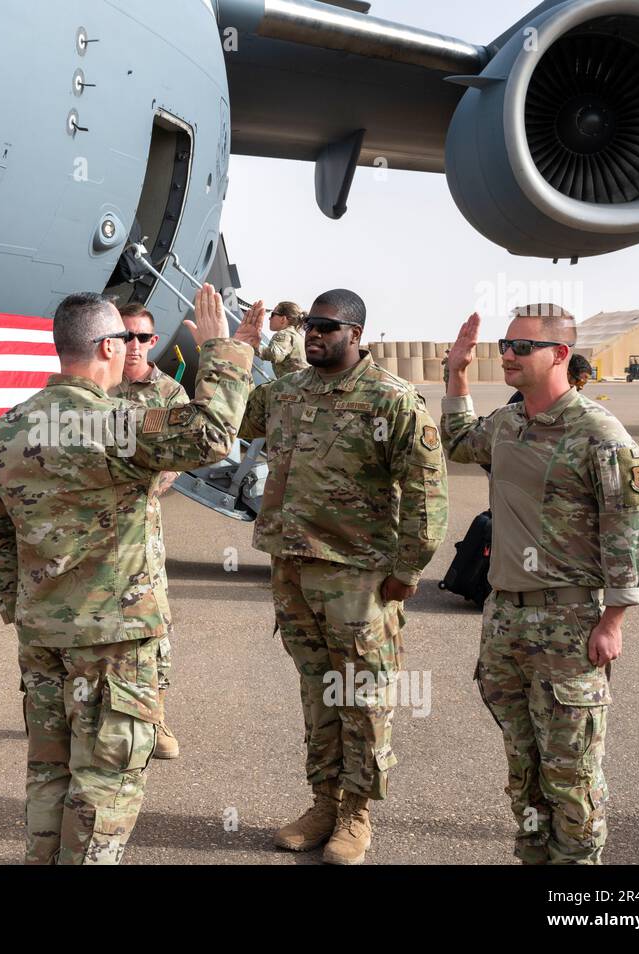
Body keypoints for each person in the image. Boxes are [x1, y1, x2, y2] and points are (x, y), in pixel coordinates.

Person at [0, 286, 263, 864]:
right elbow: (211, 437)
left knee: (50, 768)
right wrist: (223, 354)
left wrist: (22, 607)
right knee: (106, 781)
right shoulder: (116, 424)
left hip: (43, 635)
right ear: (108, 346)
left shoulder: (10, 427)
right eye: (124, 340)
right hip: (114, 640)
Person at [238, 289, 448, 865]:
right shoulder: (283, 393)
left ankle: (357, 814)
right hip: (292, 571)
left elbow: (429, 493)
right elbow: (226, 418)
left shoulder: (391, 400)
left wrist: (408, 568)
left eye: (327, 326)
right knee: (318, 692)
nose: (314, 333)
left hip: (358, 575)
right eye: (309, 324)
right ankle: (323, 803)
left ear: (356, 334)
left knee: (363, 695)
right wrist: (232, 350)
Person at [441, 305, 639, 864]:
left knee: (572, 776)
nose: (507, 354)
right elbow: (460, 441)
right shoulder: (510, 423)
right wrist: (457, 374)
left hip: (569, 627)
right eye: (504, 345)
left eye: (520, 347)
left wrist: (614, 618)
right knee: (524, 770)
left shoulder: (599, 434)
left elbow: (630, 529)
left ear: (559, 355)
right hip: (505, 619)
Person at [109, 302, 190, 759]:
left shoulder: (169, 394)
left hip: (141, 532)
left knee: (150, 626)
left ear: (153, 341)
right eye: (125, 336)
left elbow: (175, 462)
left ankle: (154, 718)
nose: (133, 345)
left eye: (141, 337)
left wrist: (132, 483)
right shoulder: (98, 385)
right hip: (90, 534)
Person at [256, 300, 308, 377]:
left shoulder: (284, 334)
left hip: (295, 385)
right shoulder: (299, 337)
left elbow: (274, 354)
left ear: (283, 319)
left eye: (273, 314)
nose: (270, 318)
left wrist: (253, 346)